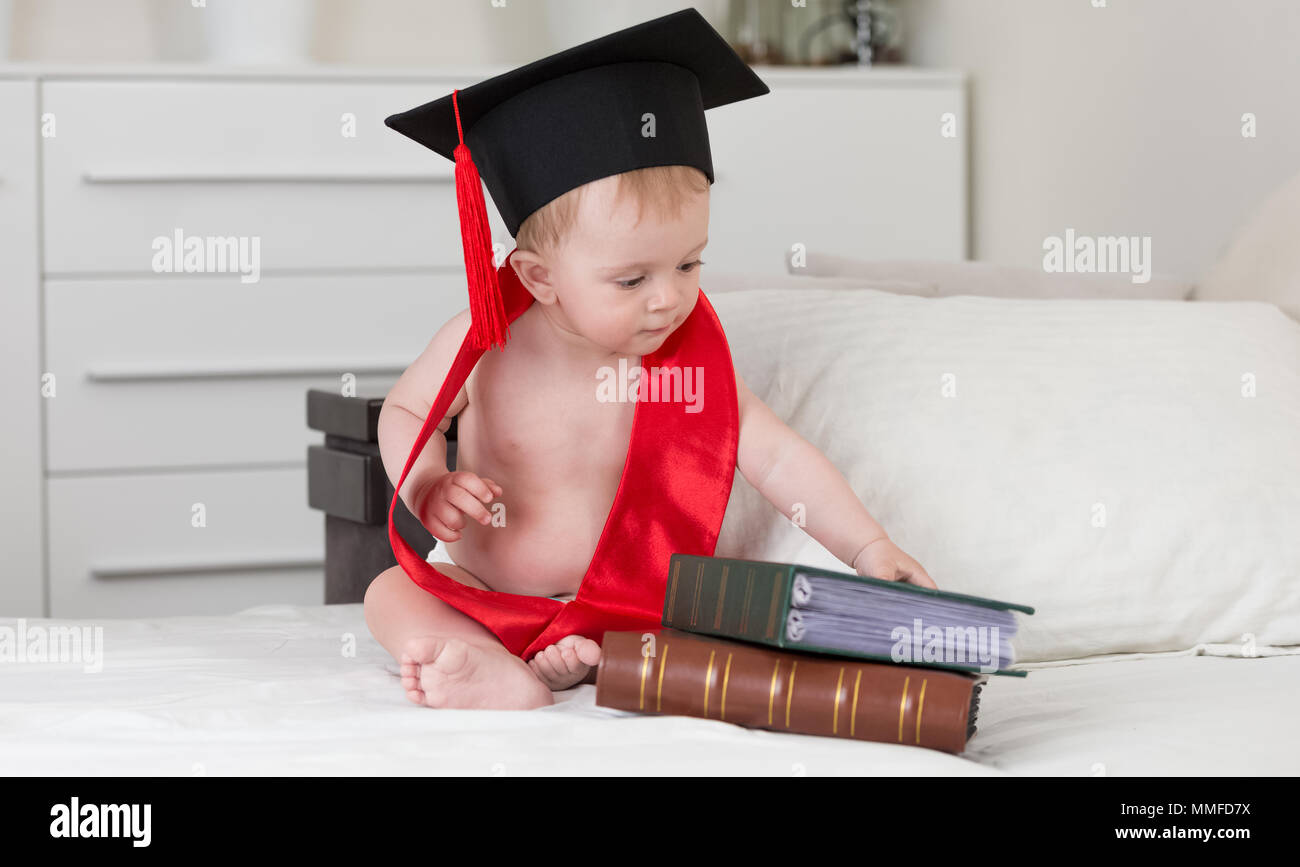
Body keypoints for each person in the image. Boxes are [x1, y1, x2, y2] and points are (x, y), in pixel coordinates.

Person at [363, 10, 936, 710]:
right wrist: (426, 482)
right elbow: (407, 409)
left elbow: (779, 458)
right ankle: (490, 665)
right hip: (491, 593)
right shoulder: (484, 340)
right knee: (390, 592)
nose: (669, 299)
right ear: (540, 278)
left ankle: (585, 662)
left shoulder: (683, 363)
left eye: (689, 263)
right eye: (632, 279)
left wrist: (868, 547)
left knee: (726, 607)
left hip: (634, 606)